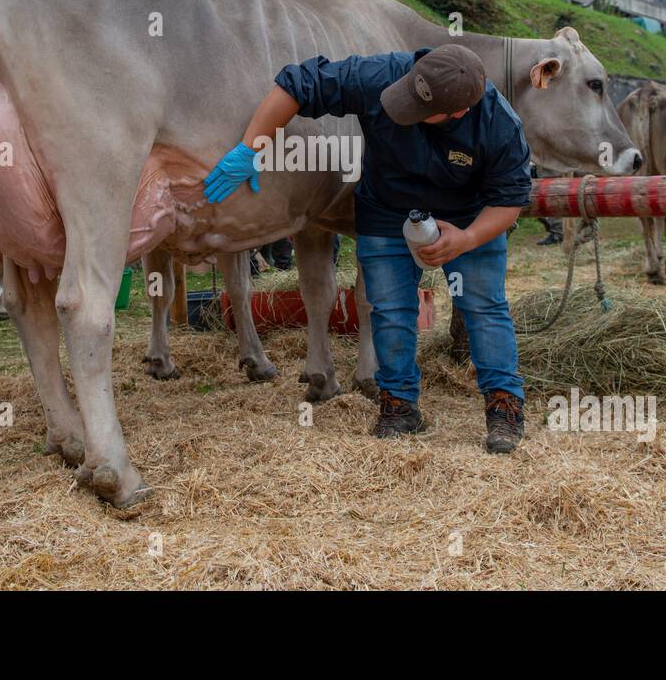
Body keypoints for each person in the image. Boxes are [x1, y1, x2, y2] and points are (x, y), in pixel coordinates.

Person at [204, 44, 530, 453]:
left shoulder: (499, 126)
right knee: (389, 310)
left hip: (469, 215)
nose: (403, 107)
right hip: (386, 210)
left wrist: (465, 239)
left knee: (483, 306)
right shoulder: (381, 75)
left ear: (457, 113)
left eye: (417, 109)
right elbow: (295, 84)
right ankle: (399, 405)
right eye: (407, 94)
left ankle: (504, 407)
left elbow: (510, 200)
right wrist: (250, 148)